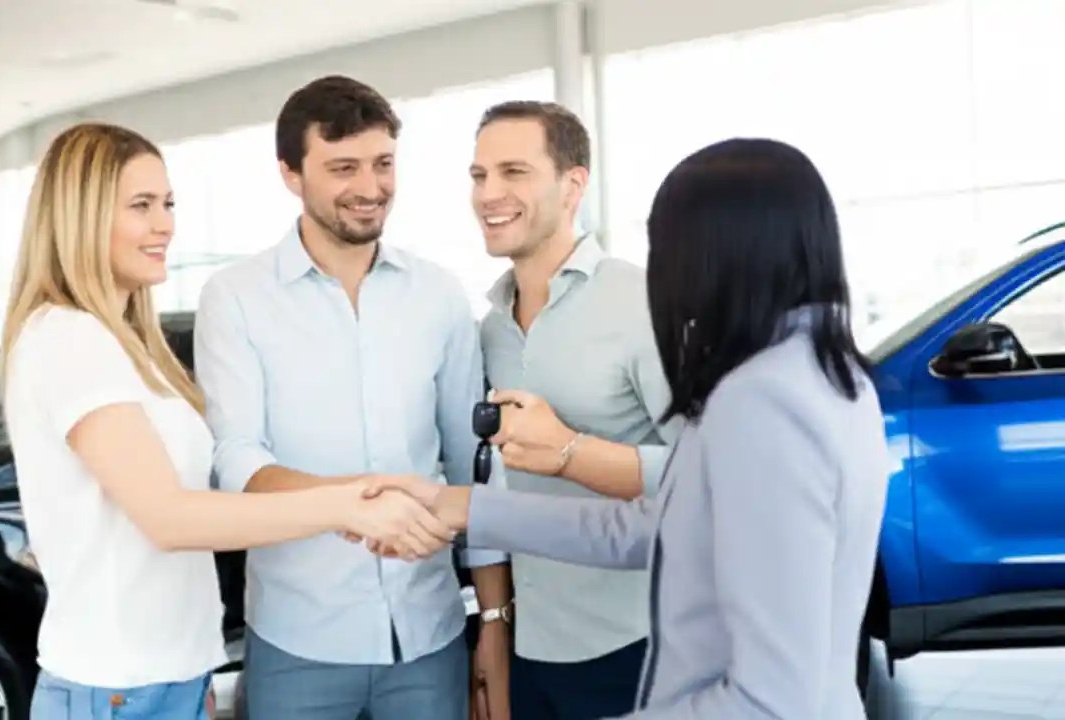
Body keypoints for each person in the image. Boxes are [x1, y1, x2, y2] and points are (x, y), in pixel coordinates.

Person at [365, 137, 891, 719]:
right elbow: (650, 526)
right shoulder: (821, 373)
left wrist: (568, 452)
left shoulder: (763, 403)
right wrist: (461, 507)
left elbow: (768, 701)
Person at [0, 122, 454, 720]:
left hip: (161, 679)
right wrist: (348, 505)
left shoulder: (123, 343)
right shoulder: (68, 339)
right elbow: (170, 517)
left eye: (167, 203)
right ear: (80, 217)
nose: (165, 224)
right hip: (117, 689)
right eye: (141, 206)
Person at [194, 75, 512, 720]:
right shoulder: (235, 298)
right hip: (297, 639)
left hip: (431, 634)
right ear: (290, 173)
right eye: (344, 168)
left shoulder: (439, 294)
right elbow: (237, 460)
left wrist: (496, 623)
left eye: (383, 164)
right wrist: (350, 505)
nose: (370, 189)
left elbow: (473, 465)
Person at [466, 100, 676, 719]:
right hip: (532, 650)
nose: (489, 194)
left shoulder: (643, 303)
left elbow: (711, 474)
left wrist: (568, 452)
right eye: (479, 176)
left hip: (639, 645)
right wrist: (495, 627)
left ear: (573, 184)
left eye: (513, 172)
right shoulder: (490, 328)